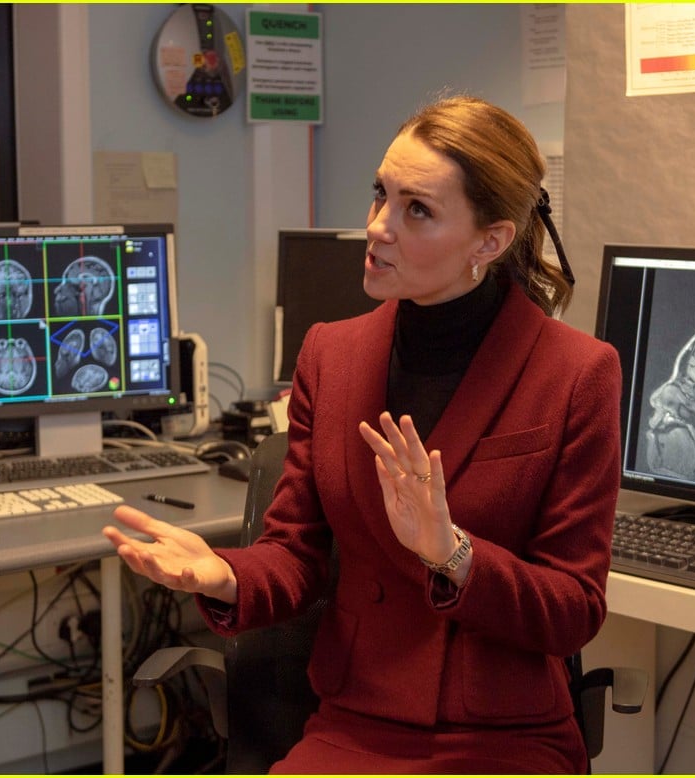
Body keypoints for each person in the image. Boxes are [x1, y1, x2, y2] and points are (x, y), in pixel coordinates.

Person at [103, 94, 622, 773]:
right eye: (380, 194)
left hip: (498, 734)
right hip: (356, 722)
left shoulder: (577, 373)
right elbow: (295, 555)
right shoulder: (331, 355)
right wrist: (222, 572)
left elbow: (574, 611)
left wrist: (454, 553)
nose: (377, 226)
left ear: (489, 241)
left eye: (417, 210)